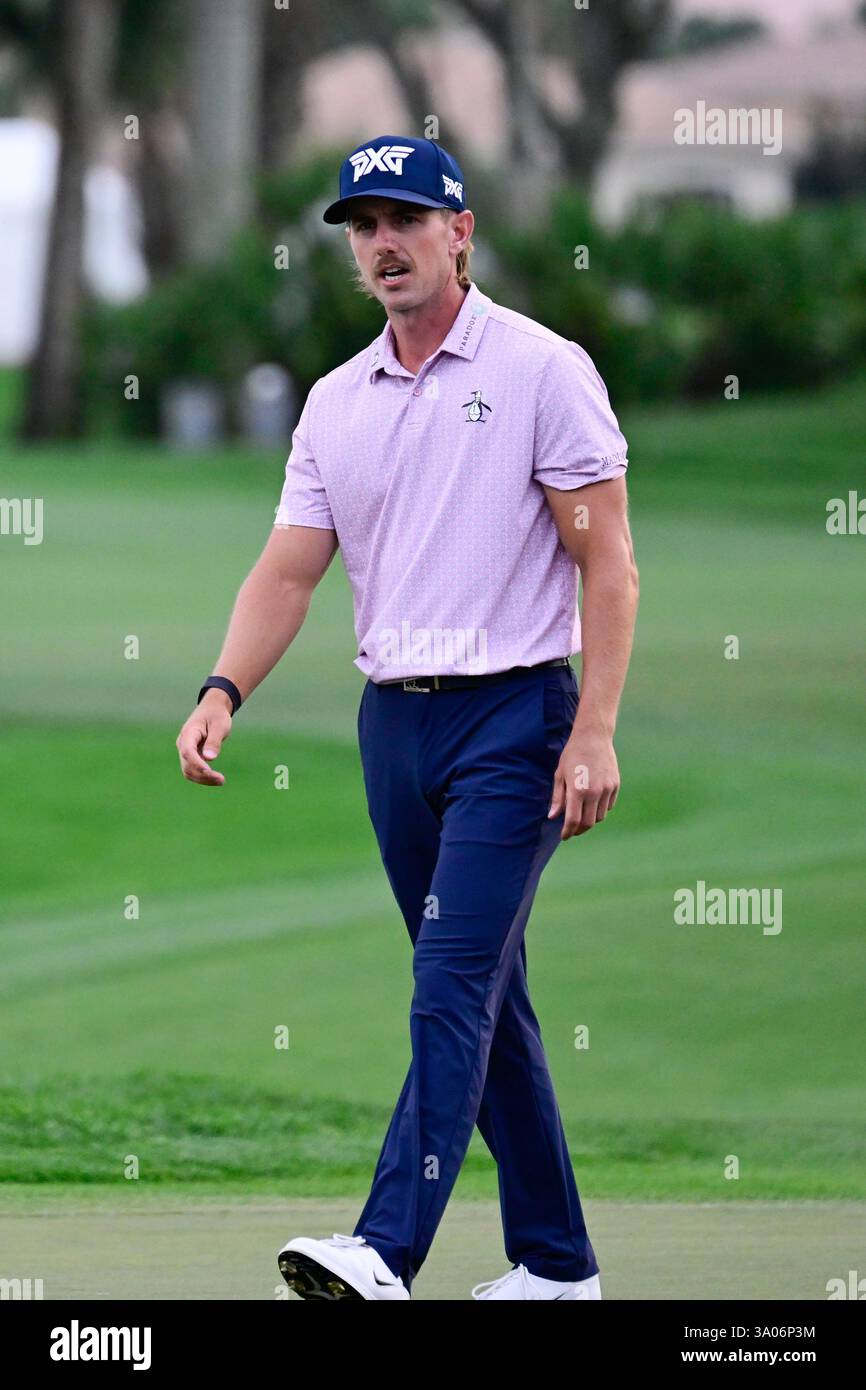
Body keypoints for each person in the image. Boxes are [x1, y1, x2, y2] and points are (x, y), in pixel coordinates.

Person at [175, 135, 639, 1301]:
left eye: (403, 221)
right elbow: (289, 570)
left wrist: (594, 728)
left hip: (516, 722)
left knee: (447, 980)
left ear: (458, 232)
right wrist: (222, 689)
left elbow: (608, 564)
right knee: (489, 998)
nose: (381, 244)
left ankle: (384, 1248)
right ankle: (555, 1264)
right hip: (395, 729)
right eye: (361, 226)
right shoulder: (337, 402)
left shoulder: (540, 368)